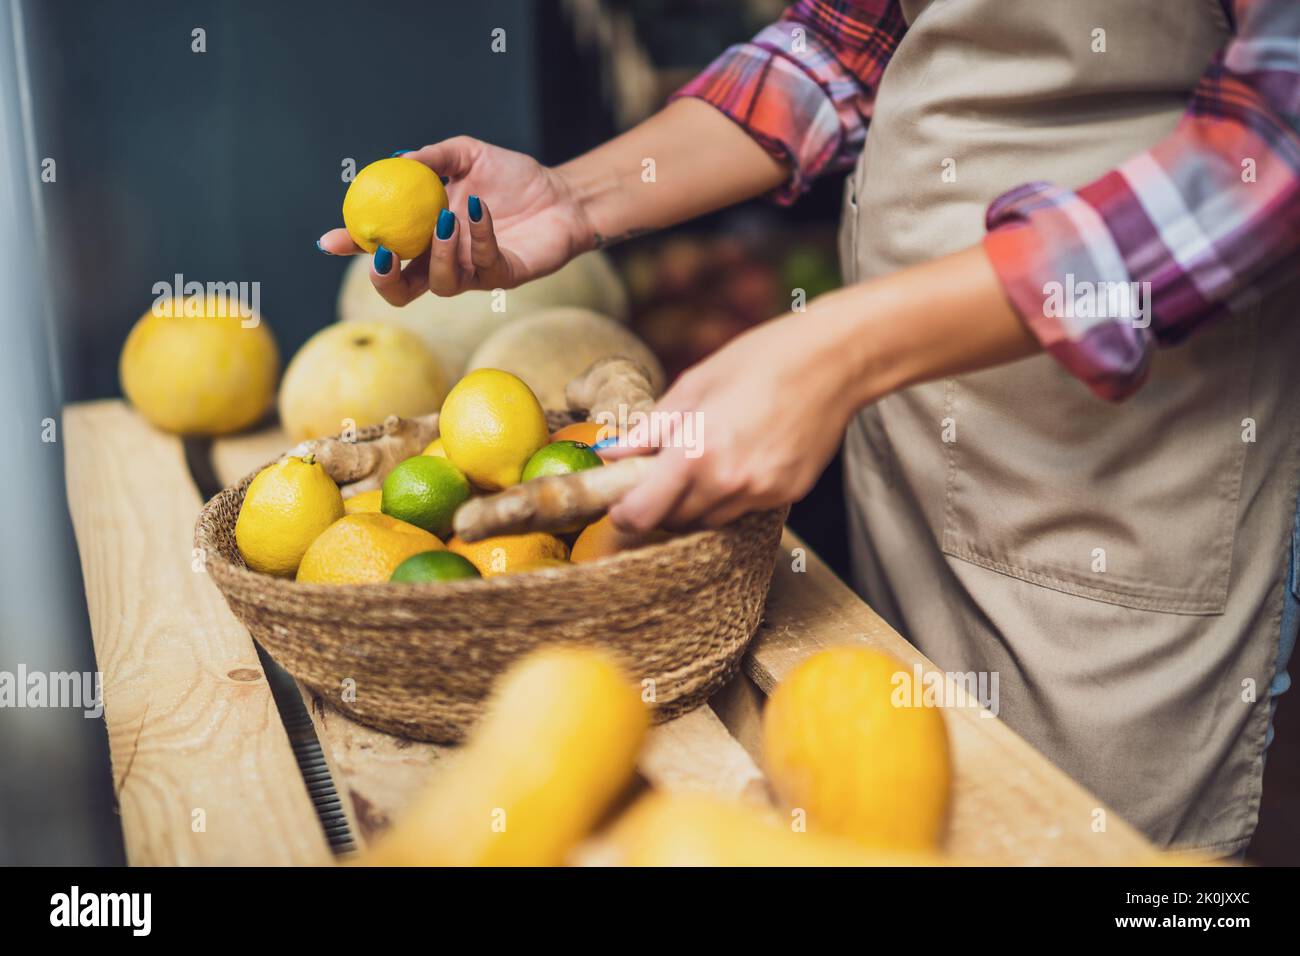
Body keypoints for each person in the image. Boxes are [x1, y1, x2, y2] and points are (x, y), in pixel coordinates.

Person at [319, 0, 1300, 856]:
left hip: (1119, 456)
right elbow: (843, 45)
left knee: (1074, 828)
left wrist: (840, 349)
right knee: (901, 804)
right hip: (918, 425)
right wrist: (572, 198)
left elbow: (1273, 146)